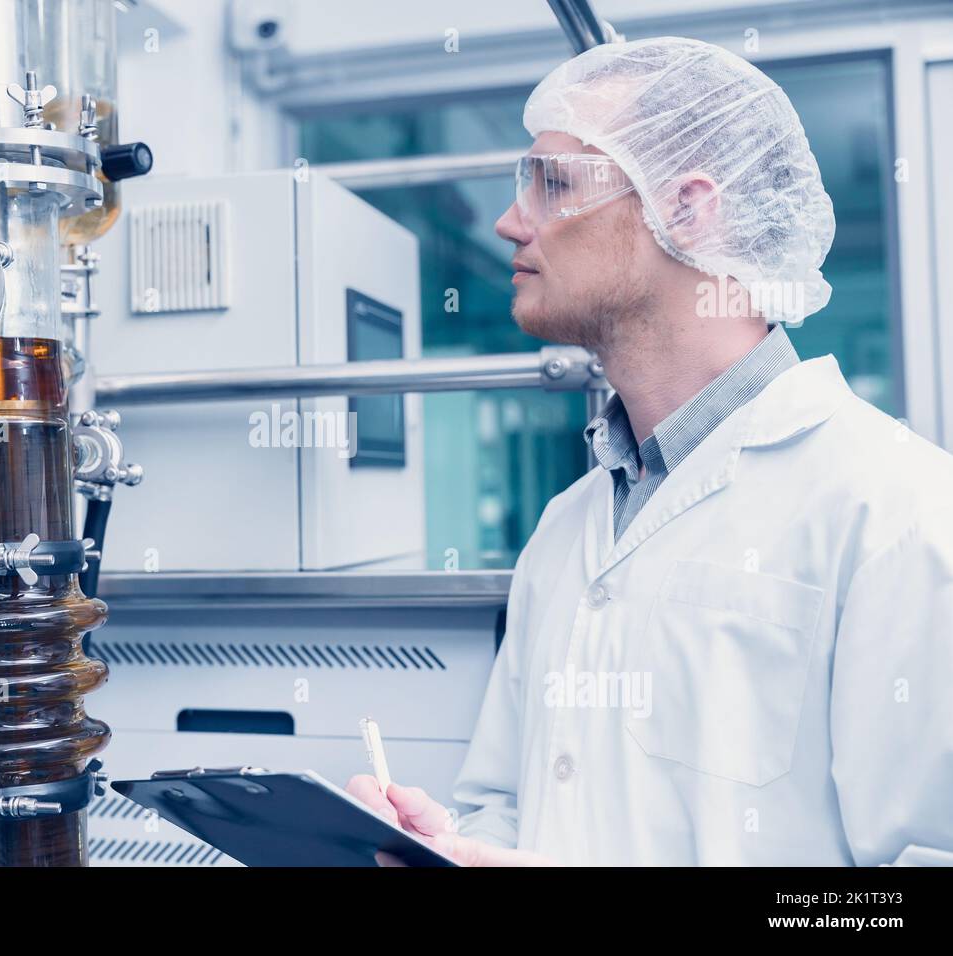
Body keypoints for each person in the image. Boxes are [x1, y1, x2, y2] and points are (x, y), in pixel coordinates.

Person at [348, 36, 953, 866]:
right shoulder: (568, 527)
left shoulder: (897, 511)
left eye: (552, 184)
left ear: (688, 207)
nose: (510, 221)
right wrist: (453, 849)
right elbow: (511, 808)